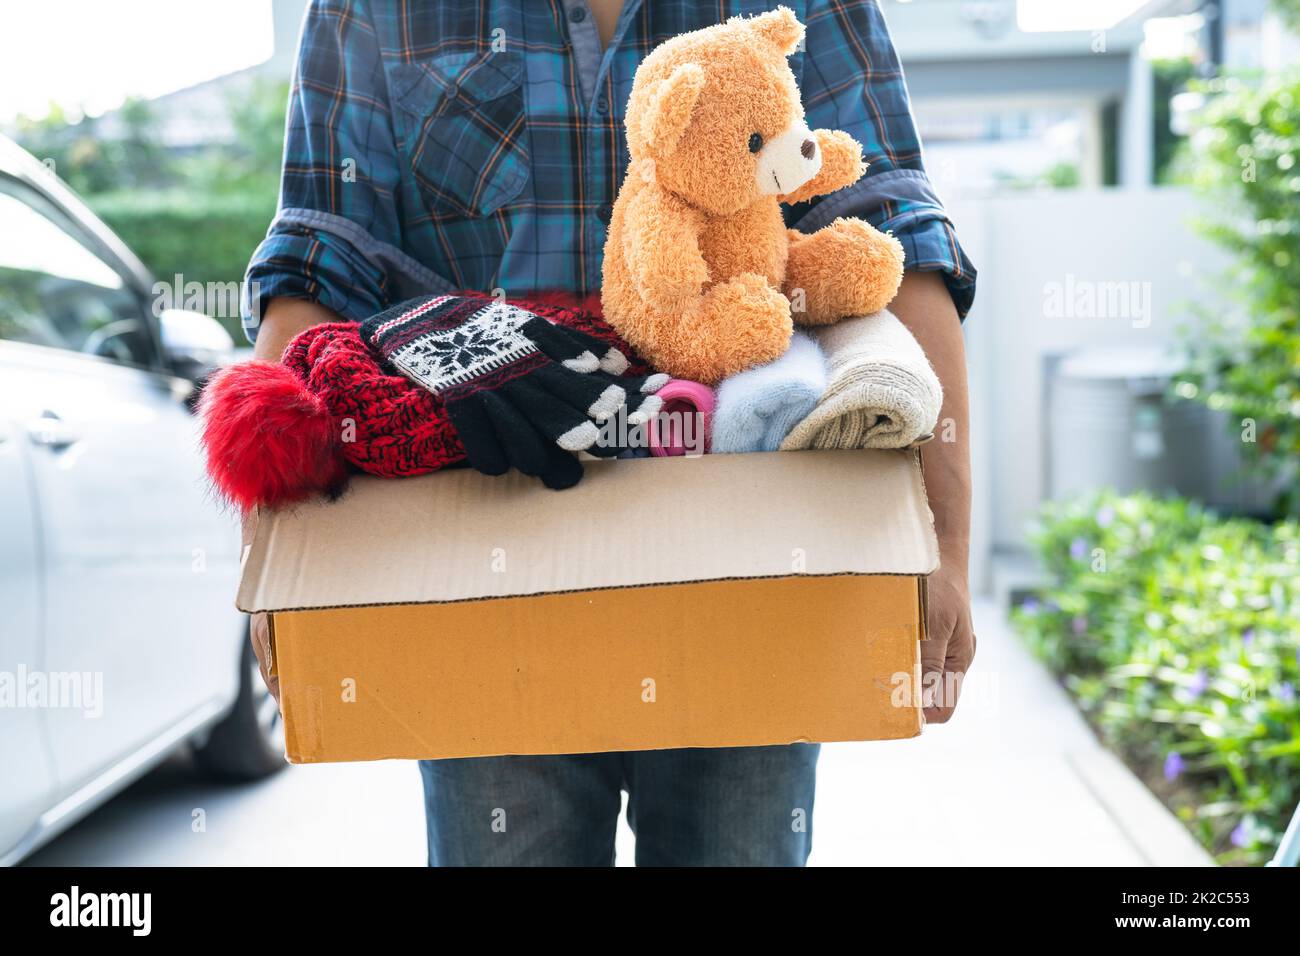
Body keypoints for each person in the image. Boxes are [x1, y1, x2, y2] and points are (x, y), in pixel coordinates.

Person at [241, 0, 977, 867]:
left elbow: (891, 235)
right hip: (481, 572)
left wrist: (948, 544)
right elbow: (322, 260)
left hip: (752, 570)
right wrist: (274, 550)